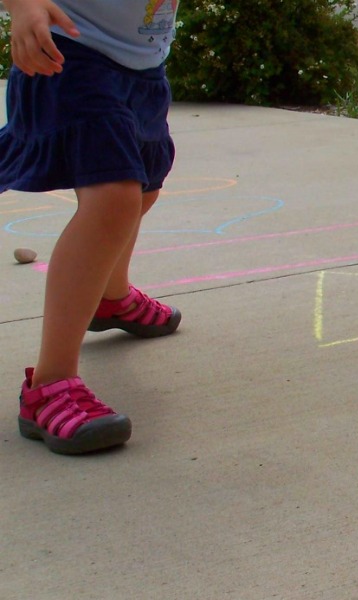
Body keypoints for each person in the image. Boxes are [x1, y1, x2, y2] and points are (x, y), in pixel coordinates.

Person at [0, 0, 182, 454]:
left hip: (141, 64)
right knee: (114, 199)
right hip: (68, 52)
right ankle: (49, 386)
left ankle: (112, 298)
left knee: (142, 189)